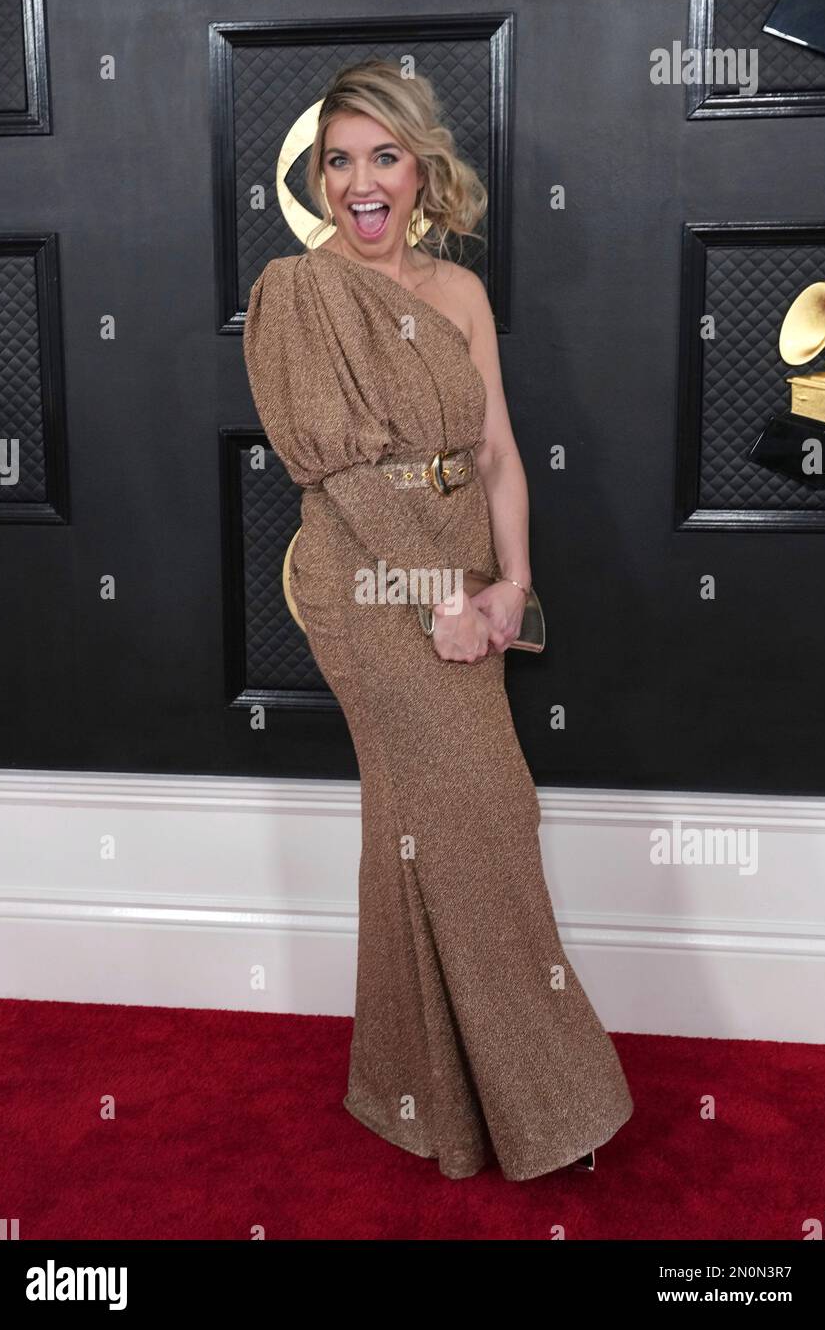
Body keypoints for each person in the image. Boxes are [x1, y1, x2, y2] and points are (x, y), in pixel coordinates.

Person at [243, 57, 633, 1180]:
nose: (360, 181)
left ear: (419, 171)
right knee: (486, 812)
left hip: (468, 580)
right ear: (317, 179)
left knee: (418, 828)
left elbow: (498, 452)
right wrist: (443, 601)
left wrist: (510, 587)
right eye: (337, 160)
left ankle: (423, 1098)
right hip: (367, 588)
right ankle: (549, 1104)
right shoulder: (295, 293)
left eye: (382, 156)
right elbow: (348, 483)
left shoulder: (457, 291)